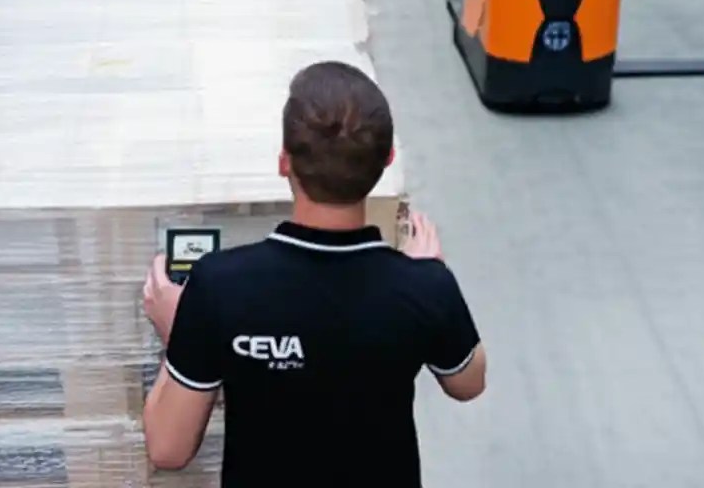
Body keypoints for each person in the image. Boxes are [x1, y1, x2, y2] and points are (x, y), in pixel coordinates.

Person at [141, 60, 486, 487]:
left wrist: (185, 333)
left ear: (284, 162)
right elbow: (469, 382)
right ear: (386, 161)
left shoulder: (219, 288)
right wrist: (432, 284)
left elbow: (167, 448)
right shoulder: (423, 286)